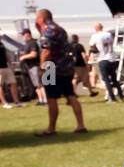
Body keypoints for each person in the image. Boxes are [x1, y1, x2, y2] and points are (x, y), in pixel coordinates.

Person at [33, 8, 87, 136]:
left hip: (51, 68)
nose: (35, 20)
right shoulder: (59, 29)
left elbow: (46, 51)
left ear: (42, 18)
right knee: (71, 95)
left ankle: (51, 128)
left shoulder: (47, 31)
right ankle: (81, 125)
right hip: (66, 67)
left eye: (37, 18)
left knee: (51, 97)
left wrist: (42, 67)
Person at [90, 22, 123, 103]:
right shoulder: (108, 34)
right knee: (114, 78)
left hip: (102, 58)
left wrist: (94, 53)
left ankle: (112, 97)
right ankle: (121, 95)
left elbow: (92, 46)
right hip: (112, 58)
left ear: (96, 28)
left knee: (106, 79)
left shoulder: (95, 36)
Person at [19, 28, 44, 105]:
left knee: (39, 84)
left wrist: (23, 57)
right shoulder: (27, 44)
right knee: (36, 85)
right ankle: (40, 100)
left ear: (27, 35)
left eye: (23, 35)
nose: (22, 37)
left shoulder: (32, 43)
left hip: (34, 66)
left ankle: (44, 100)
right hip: (30, 67)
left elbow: (34, 54)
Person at [0, 40, 20, 108]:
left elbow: (6, 55)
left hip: (6, 67)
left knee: (13, 83)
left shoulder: (1, 43)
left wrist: (11, 65)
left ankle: (17, 102)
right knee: (0, 85)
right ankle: (4, 103)